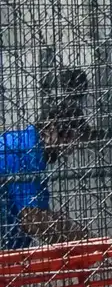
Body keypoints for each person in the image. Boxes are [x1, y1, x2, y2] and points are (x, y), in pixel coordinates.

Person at [0, 69, 93, 248]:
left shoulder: (29, 145)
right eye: (70, 138)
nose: (72, 148)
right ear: (51, 129)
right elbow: (32, 218)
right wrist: (82, 239)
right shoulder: (27, 151)